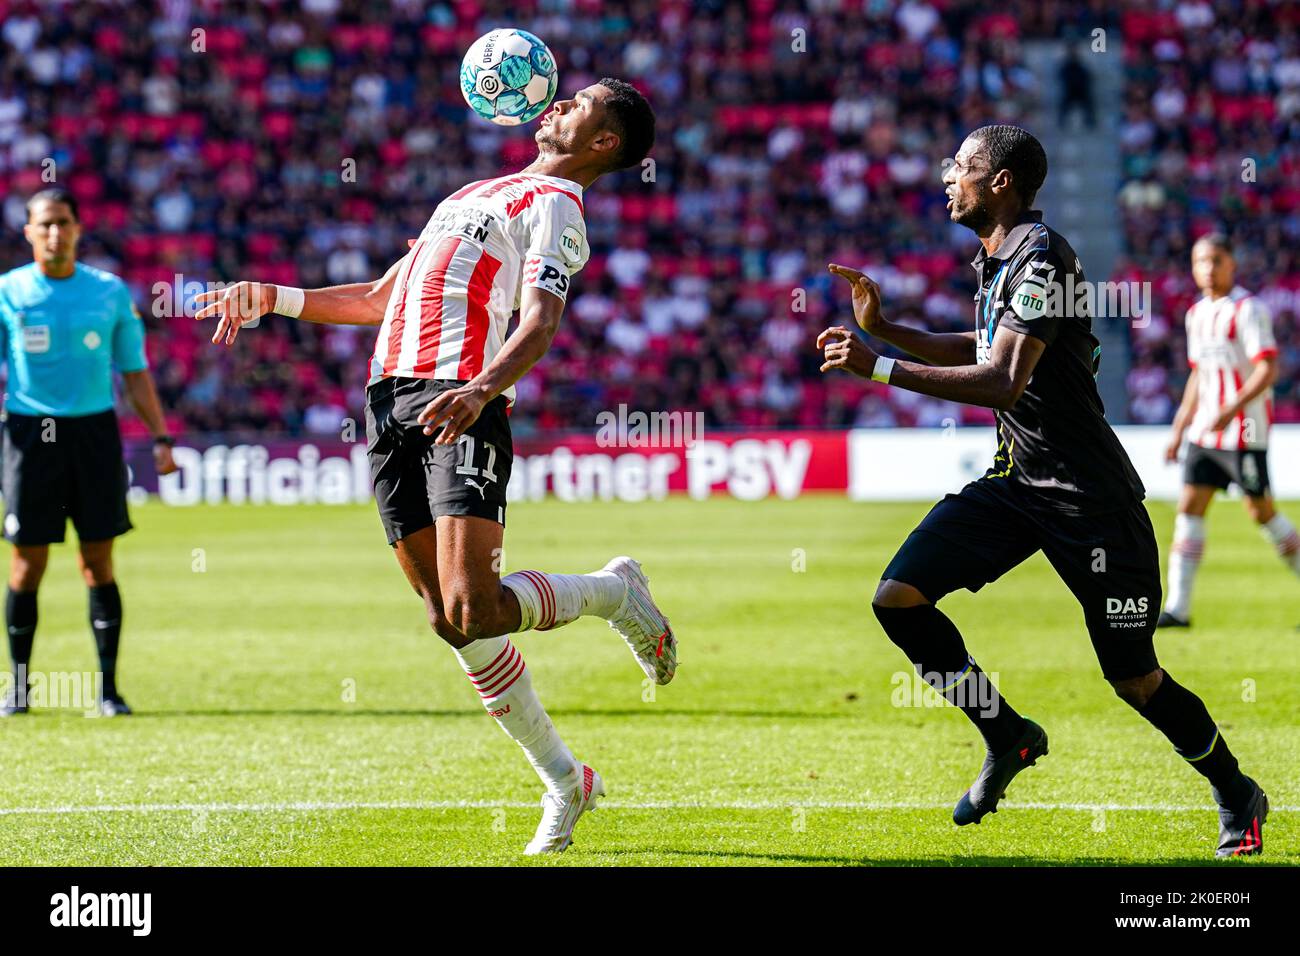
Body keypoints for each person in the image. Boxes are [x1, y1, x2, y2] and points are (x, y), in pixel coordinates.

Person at [195, 80, 676, 856]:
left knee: (476, 607)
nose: (555, 103)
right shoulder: (474, 192)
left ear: (604, 144)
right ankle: (566, 780)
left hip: (459, 399)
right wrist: (271, 298)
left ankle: (616, 592)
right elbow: (381, 298)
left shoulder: (556, 205)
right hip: (388, 404)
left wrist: (483, 387)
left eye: (579, 102)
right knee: (448, 621)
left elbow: (541, 320)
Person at [816, 126, 1267, 857]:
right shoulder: (996, 262)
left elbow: (1003, 378)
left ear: (999, 182)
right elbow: (982, 348)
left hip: (1091, 500)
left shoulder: (1043, 257)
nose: (946, 178)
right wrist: (888, 330)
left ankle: (1236, 789)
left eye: (960, 167)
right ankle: (1007, 734)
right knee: (898, 596)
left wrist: (879, 368)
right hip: (1018, 483)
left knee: (1136, 679)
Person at [0, 187, 177, 717]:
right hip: (28, 437)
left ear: (77, 228)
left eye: (64, 223)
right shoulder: (7, 292)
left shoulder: (108, 292)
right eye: (45, 224)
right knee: (27, 564)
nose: (55, 233)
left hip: (95, 435)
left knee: (97, 561)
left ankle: (108, 691)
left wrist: (162, 437)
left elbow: (135, 372)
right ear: (29, 231)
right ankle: (20, 688)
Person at [1158, 234, 1296, 628]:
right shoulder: (1196, 313)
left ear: (1232, 263)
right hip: (1205, 435)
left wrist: (1229, 409)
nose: (1208, 268)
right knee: (1189, 509)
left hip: (1245, 432)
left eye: (1216, 260)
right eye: (1201, 261)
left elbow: (1268, 369)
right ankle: (1178, 609)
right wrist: (1179, 429)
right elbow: (1198, 375)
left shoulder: (1249, 310)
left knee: (1261, 512)